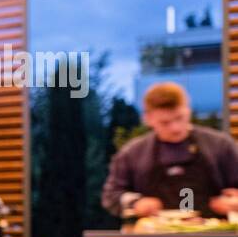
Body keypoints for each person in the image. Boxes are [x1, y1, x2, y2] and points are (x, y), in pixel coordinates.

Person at [101, 81, 238, 220]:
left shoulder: (221, 145)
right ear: (148, 119)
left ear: (188, 110)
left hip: (214, 236)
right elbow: (111, 195)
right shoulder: (132, 153)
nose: (175, 128)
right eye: (165, 122)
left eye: (180, 118)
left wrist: (234, 202)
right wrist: (135, 203)